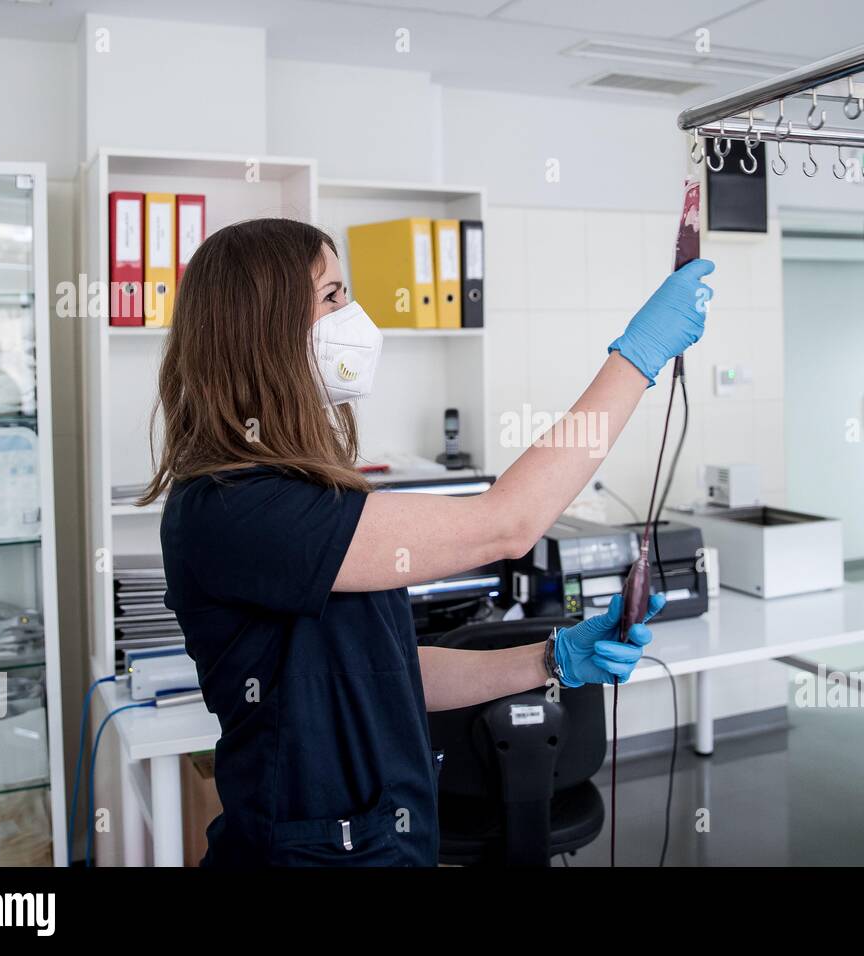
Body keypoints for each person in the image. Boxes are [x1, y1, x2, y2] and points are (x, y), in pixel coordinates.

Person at [140, 217, 714, 866]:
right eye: (332, 296)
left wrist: (550, 660)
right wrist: (637, 357)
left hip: (385, 841)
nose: (352, 315)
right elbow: (509, 522)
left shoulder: (304, 494)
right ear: (264, 329)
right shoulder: (237, 507)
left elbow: (386, 671)